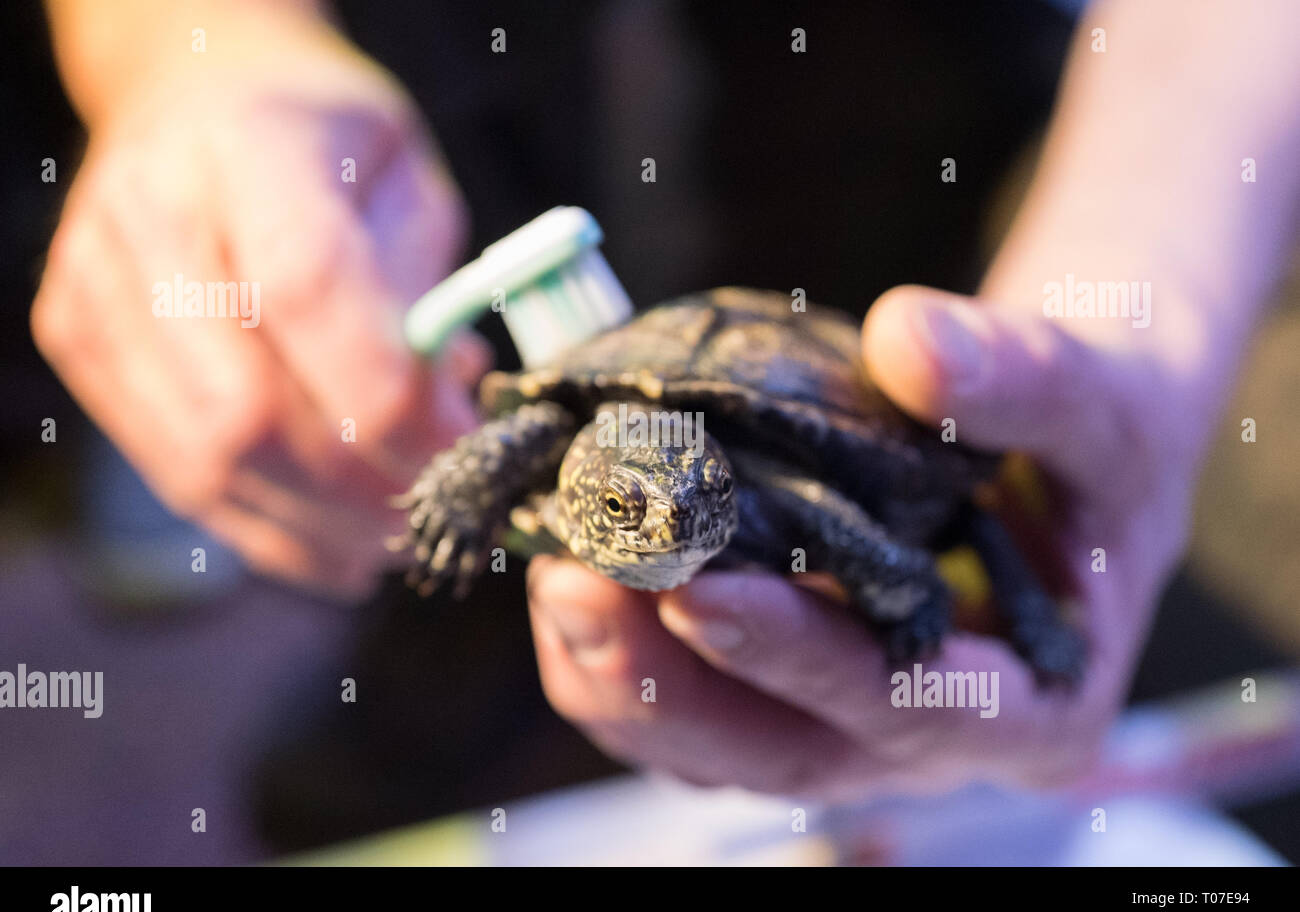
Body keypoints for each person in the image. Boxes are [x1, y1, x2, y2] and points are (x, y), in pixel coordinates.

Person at [34, 0, 1300, 800]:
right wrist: (191, 45)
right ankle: (459, 672)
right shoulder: (577, 453)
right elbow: (530, 434)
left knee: (881, 179)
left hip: (835, 325)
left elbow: (866, 522)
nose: (631, 508)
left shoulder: (764, 487)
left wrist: (1134, 313)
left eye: (651, 493)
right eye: (618, 491)